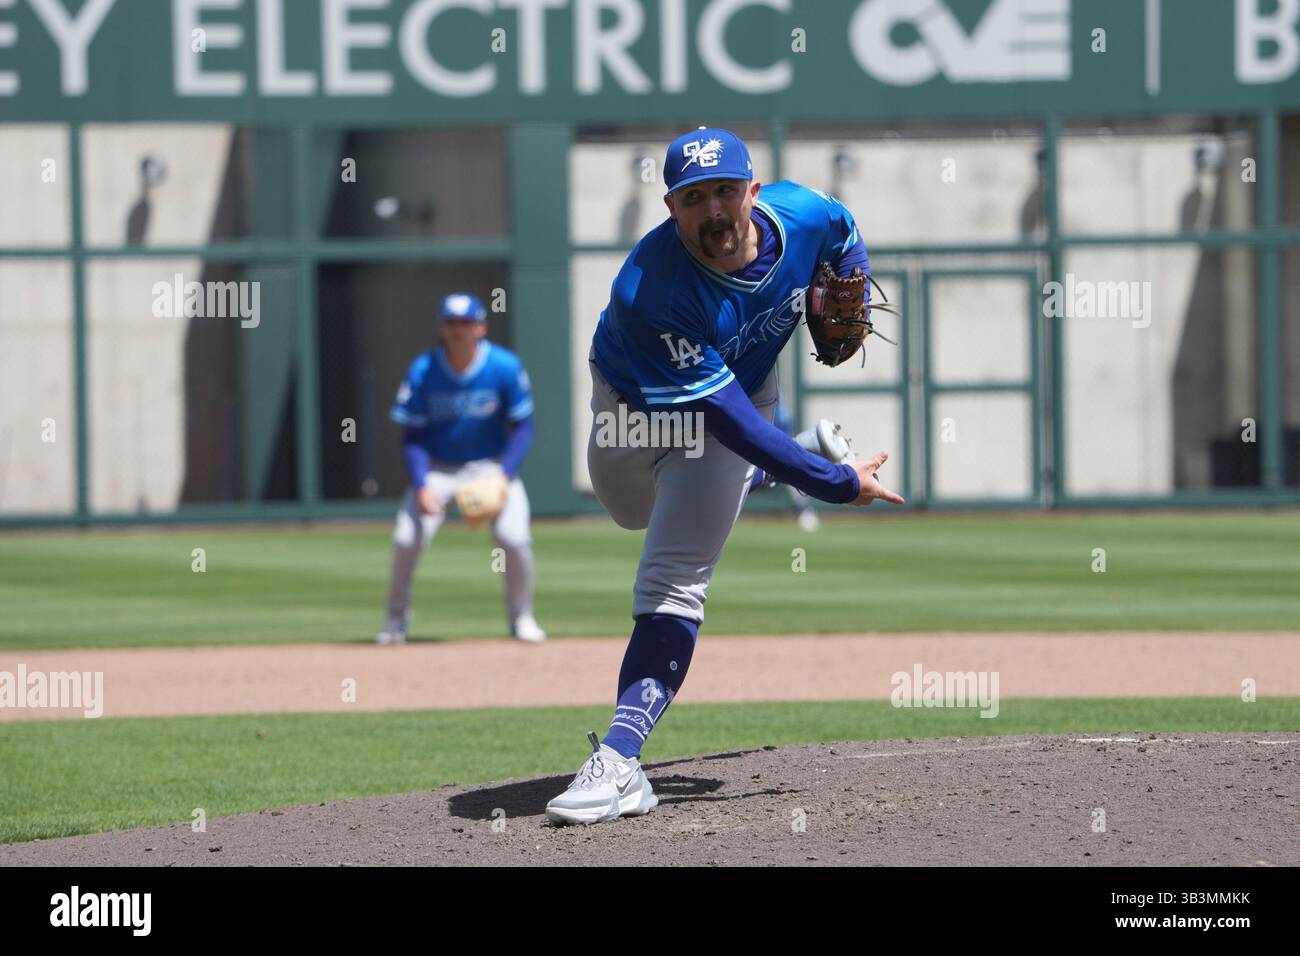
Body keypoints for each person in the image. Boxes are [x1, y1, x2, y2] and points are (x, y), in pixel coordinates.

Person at [545, 128, 904, 825]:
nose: (713, 211)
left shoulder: (802, 213)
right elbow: (731, 423)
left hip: (744, 396)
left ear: (753, 191)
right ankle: (792, 460)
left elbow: (845, 228)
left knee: (671, 579)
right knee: (630, 511)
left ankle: (618, 762)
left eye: (725, 192)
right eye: (693, 198)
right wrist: (831, 482)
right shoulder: (651, 292)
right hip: (632, 408)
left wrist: (848, 272)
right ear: (671, 206)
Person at [376, 293, 545, 645]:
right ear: (442, 327)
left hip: (491, 466)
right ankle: (395, 620)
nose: (458, 330)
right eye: (451, 323)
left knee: (514, 539)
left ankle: (522, 617)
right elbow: (413, 436)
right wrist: (421, 485)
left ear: (480, 327)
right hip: (438, 469)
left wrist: (504, 475)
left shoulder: (503, 366)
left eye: (465, 323)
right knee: (406, 538)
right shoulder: (424, 370)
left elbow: (523, 428)